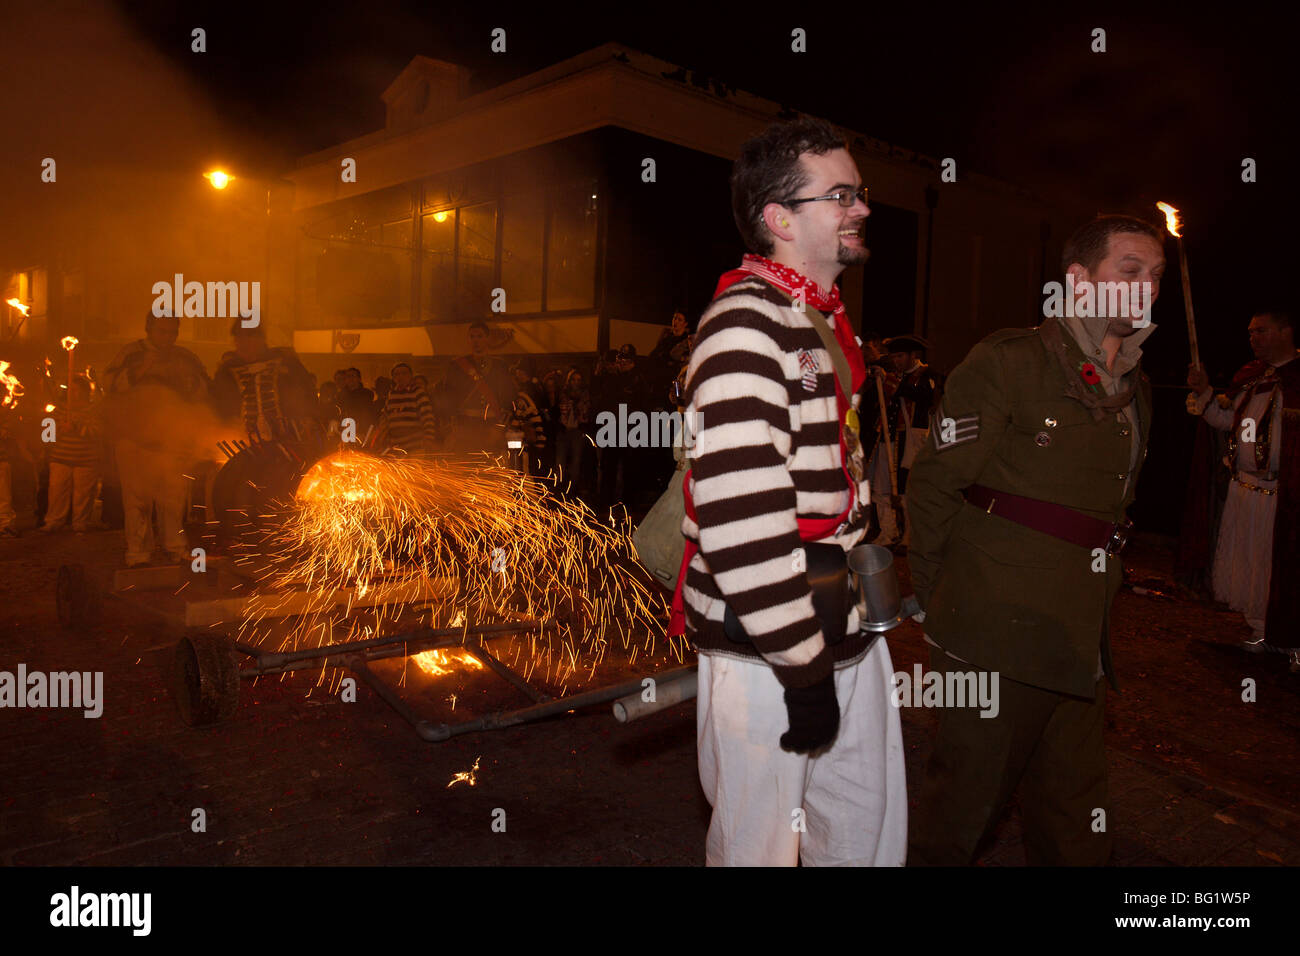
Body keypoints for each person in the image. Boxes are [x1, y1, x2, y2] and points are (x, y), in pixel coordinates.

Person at [674, 116, 905, 866]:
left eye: (859, 192)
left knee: (864, 834)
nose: (861, 207)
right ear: (779, 218)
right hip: (770, 648)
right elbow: (739, 522)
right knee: (760, 850)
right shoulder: (745, 326)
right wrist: (802, 665)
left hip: (842, 627)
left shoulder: (819, 321)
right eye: (841, 195)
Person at [907, 214, 1166, 865]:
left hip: (1081, 637)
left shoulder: (1139, 392)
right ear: (1078, 281)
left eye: (1156, 276)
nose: (1147, 288)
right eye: (1130, 270)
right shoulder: (1009, 361)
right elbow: (936, 483)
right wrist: (937, 604)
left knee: (1076, 816)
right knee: (965, 808)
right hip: (993, 627)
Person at [1187, 310, 1299, 670]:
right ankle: (1260, 631)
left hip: (1284, 493)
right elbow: (1224, 421)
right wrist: (1203, 391)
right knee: (1251, 562)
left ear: (1286, 331)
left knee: (1281, 565)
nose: (1253, 338)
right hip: (1244, 488)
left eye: (1261, 331)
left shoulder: (1299, 380)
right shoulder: (1251, 377)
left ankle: (1291, 640)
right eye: (1250, 332)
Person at [105, 310, 209, 566]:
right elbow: (109, 384)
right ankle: (138, 552)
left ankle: (175, 547)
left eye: (172, 332)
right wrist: (141, 370)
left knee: (173, 497)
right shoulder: (131, 354)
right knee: (137, 500)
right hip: (133, 436)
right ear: (148, 329)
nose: (168, 337)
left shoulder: (185, 357)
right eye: (162, 331)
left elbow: (204, 391)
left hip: (171, 439)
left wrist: (188, 382)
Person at [212, 321, 314, 443]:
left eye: (249, 337)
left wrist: (307, 419)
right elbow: (218, 407)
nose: (243, 344)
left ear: (260, 338)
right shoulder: (227, 371)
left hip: (290, 440)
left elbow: (307, 394)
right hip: (245, 443)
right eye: (239, 338)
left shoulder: (286, 361)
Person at [436, 320, 514, 453]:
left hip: (491, 423)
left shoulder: (499, 366)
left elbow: (508, 395)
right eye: (472, 337)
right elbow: (448, 395)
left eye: (479, 336)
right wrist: (452, 423)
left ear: (487, 338)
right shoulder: (457, 366)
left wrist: (500, 426)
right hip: (466, 423)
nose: (475, 340)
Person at [39, 377, 103, 533]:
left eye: (77, 390)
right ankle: (54, 521)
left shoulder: (94, 410)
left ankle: (80, 522)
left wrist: (76, 427)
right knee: (57, 493)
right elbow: (47, 435)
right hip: (60, 458)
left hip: (85, 459)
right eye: (71, 390)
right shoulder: (59, 409)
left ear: (85, 391)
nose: (73, 393)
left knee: (83, 495)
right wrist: (58, 429)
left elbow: (99, 433)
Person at [378, 362, 438, 455]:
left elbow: (427, 416)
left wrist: (428, 438)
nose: (400, 377)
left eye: (404, 373)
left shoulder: (418, 392)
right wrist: (382, 436)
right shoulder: (392, 395)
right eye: (397, 374)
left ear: (410, 376)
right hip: (396, 446)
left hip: (415, 445)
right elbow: (385, 416)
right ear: (393, 378)